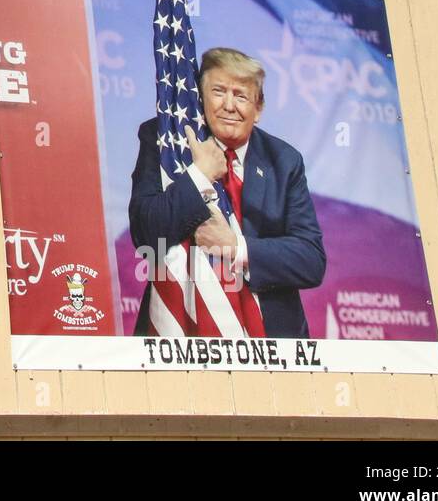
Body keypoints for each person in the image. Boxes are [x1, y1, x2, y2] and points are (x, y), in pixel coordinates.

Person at [128, 47, 326, 338]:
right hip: (183, 335)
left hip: (269, 342)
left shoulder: (284, 161)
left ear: (258, 110)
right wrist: (198, 176)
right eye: (219, 91)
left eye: (241, 96)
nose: (229, 106)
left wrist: (236, 247)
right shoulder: (166, 142)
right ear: (199, 98)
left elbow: (311, 260)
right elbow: (146, 234)